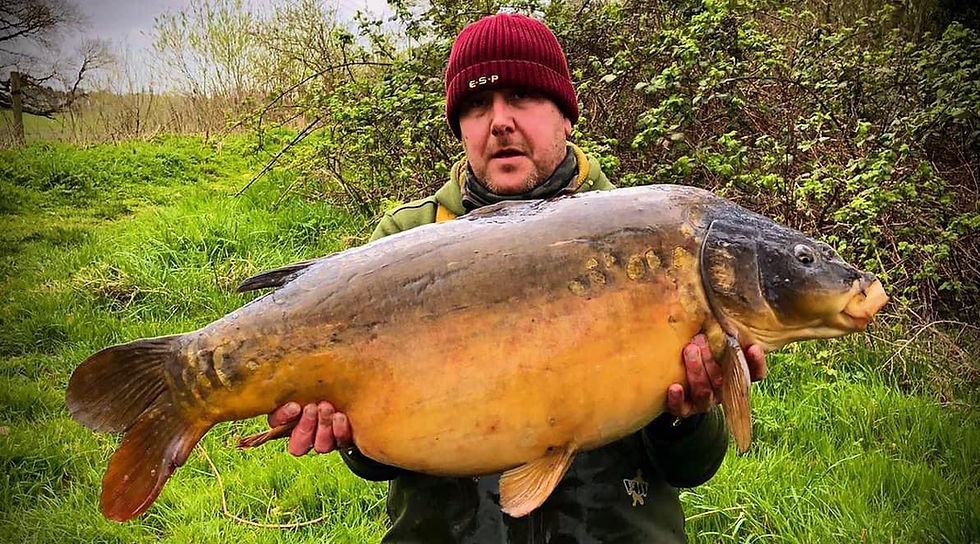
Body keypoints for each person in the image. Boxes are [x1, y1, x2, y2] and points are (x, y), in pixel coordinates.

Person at [267, 13, 766, 543]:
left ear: (565, 116)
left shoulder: (651, 243)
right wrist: (348, 436)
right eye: (478, 106)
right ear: (461, 129)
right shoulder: (406, 238)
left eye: (522, 98)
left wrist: (686, 413)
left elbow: (693, 469)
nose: (499, 121)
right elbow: (380, 464)